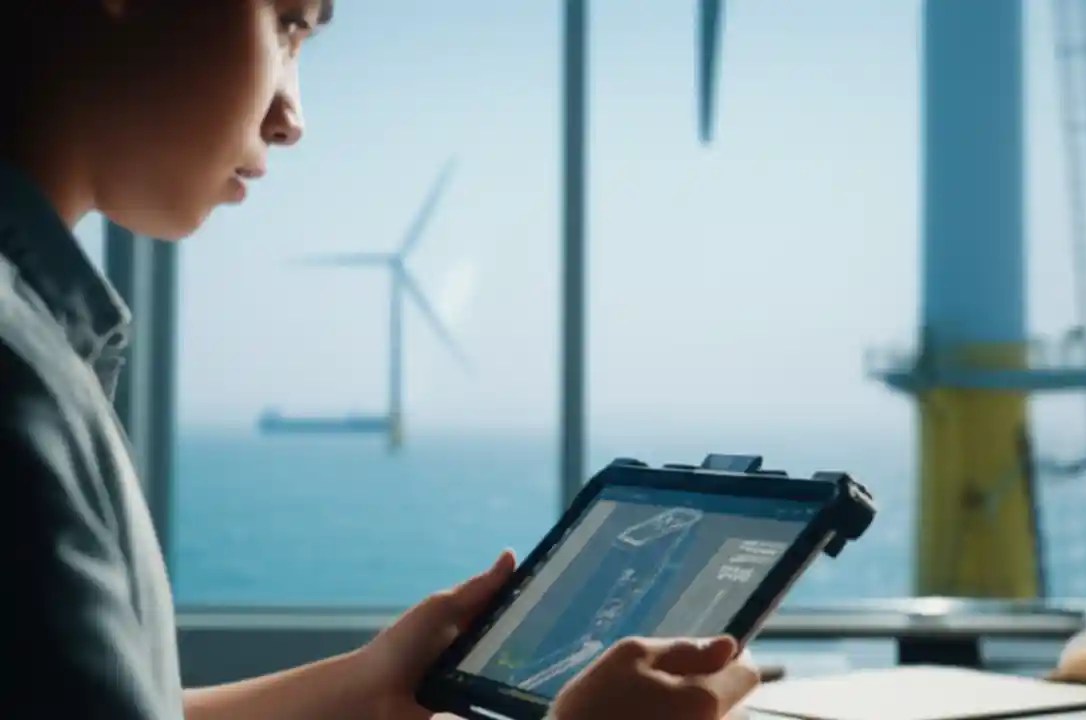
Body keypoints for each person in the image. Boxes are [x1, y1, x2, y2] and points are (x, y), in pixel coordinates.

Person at [0, 2, 761, 718]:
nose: (292, 118)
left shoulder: (38, 347)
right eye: (289, 24)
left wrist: (372, 685)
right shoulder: (16, 378)